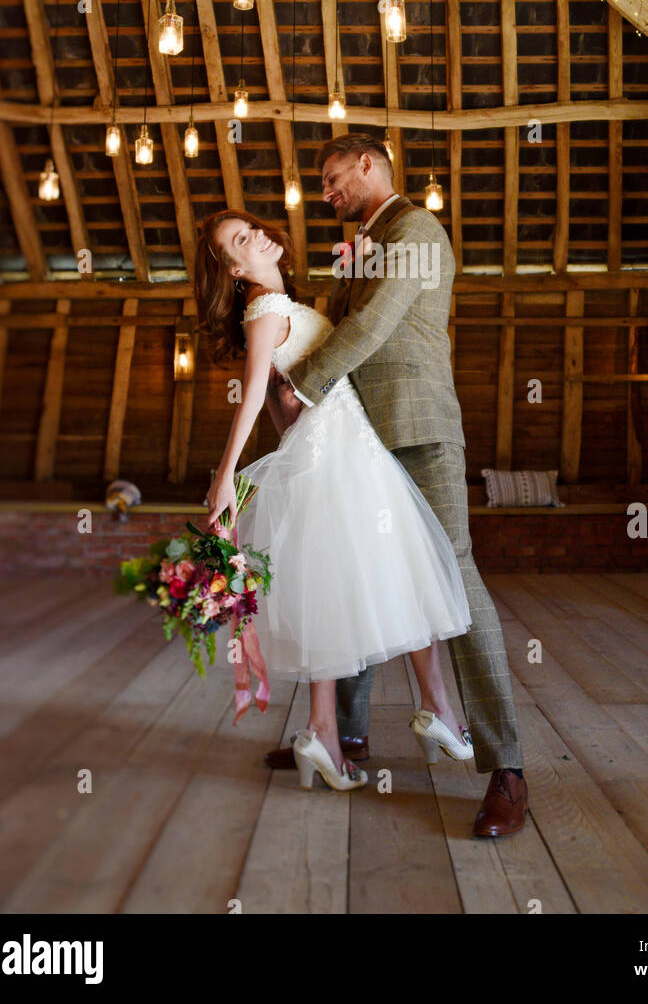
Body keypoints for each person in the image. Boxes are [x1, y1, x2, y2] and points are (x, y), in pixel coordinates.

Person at [265, 133, 528, 837]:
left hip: (417, 432)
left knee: (456, 580)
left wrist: (299, 387)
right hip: (359, 438)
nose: (325, 195)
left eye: (330, 180)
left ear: (368, 164)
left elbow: (374, 325)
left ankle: (505, 766)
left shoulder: (416, 228)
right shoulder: (361, 243)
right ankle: (345, 737)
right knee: (354, 575)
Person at [196, 206, 474, 795]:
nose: (260, 235)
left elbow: (280, 404)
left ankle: (323, 732)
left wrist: (293, 440)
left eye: (255, 226)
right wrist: (227, 477)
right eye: (243, 239)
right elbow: (250, 402)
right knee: (397, 571)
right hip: (343, 458)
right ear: (232, 267)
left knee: (345, 589)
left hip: (338, 452)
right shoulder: (265, 311)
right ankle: (437, 709)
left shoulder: (281, 304)